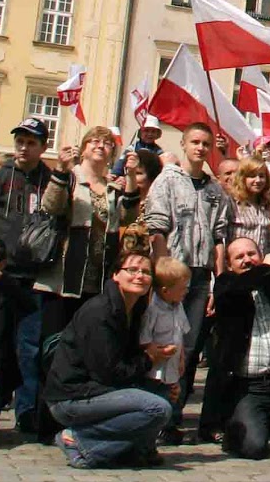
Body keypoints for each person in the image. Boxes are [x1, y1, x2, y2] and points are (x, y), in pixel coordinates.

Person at [37, 125, 142, 440]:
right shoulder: (71, 178)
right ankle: (45, 421)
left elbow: (128, 217)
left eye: (107, 143)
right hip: (63, 281)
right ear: (83, 148)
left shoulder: (112, 187)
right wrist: (60, 170)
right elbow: (50, 207)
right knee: (53, 350)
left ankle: (80, 417)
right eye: (94, 141)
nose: (101, 146)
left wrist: (134, 178)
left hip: (96, 284)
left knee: (88, 353)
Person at [41, 250, 174, 468]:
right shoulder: (100, 312)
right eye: (132, 270)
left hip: (99, 391)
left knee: (163, 391)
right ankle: (80, 439)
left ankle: (135, 449)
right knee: (157, 408)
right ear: (115, 275)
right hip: (73, 397)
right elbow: (108, 373)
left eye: (146, 272)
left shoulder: (135, 308)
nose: (140, 276)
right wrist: (149, 358)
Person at [0, 116, 54, 432]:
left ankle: (26, 412)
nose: (24, 147)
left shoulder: (51, 181)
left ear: (43, 147)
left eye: (31, 142)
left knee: (30, 347)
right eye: (20, 141)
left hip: (36, 278)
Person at [144, 121, 230, 441]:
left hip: (200, 274)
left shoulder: (214, 189)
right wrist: (164, 270)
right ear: (183, 144)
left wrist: (216, 282)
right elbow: (157, 228)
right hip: (173, 270)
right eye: (194, 142)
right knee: (166, 343)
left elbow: (219, 237)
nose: (200, 148)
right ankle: (157, 412)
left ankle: (174, 414)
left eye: (205, 144)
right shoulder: (167, 181)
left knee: (190, 348)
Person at [208, 237, 270, 458]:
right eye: (239, 257)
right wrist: (266, 268)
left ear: (260, 255)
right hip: (249, 386)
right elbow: (241, 286)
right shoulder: (226, 284)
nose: (247, 260)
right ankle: (236, 428)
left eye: (251, 254)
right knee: (253, 447)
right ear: (229, 264)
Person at [226, 157, 270, 264]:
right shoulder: (232, 202)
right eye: (252, 176)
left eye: (261, 176)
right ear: (242, 178)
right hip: (239, 266)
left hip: (261, 267)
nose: (258, 180)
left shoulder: (266, 204)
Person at [139, 258, 191, 396]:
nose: (186, 291)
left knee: (172, 399)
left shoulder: (179, 306)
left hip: (173, 369)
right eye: (182, 288)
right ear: (165, 291)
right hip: (155, 372)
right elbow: (144, 339)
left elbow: (180, 332)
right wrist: (156, 352)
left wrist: (181, 358)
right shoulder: (153, 310)